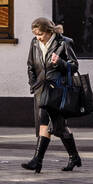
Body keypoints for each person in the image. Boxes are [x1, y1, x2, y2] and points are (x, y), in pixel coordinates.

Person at [22, 17, 82, 173]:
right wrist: (33, 85)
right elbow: (30, 65)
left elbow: (74, 65)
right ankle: (72, 157)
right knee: (53, 124)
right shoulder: (34, 43)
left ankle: (38, 160)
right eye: (36, 35)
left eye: (40, 34)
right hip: (41, 90)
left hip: (57, 90)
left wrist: (60, 63)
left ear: (49, 32)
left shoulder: (64, 42)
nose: (38, 38)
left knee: (51, 124)